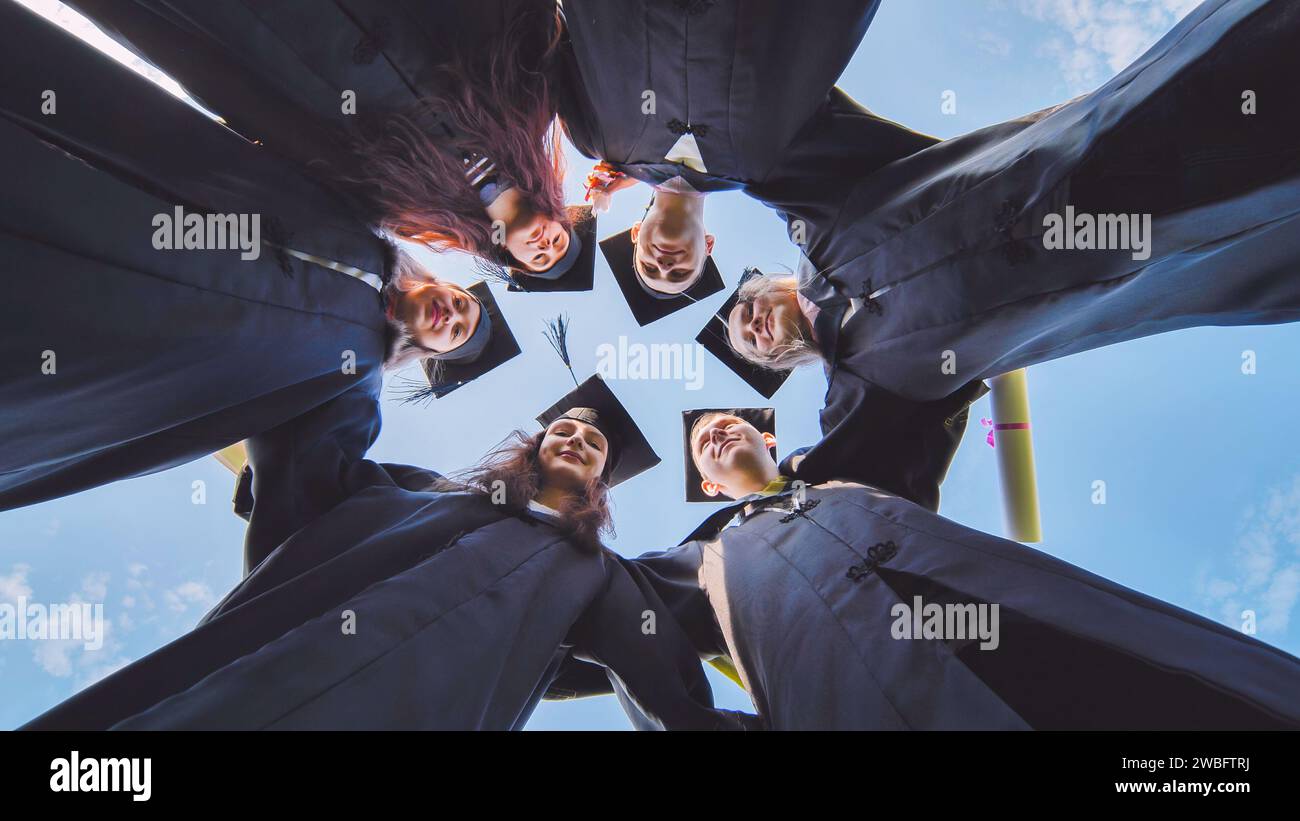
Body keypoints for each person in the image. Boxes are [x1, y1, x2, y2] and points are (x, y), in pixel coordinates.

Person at [0, 6, 518, 513]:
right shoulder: (364, 230)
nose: (452, 314)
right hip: (164, 172)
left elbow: (316, 479)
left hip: (130, 312)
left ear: (428, 351)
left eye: (454, 331)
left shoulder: (355, 378)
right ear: (440, 283)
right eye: (459, 303)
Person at [20, 377, 758, 731]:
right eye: (563, 429)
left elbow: (669, 679)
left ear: (602, 477)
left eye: (592, 443)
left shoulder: (595, 577)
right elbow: (309, 467)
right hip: (229, 679)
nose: (576, 438)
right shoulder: (420, 492)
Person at [725, 0, 1300, 404]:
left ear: (768, 283)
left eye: (743, 311)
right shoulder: (870, 391)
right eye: (750, 342)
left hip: (1089, 146)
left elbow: (761, 135)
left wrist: (673, 182)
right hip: (1153, 258)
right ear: (780, 360)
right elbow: (857, 505)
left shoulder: (821, 223)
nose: (751, 326)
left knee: (1240, 66)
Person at [614, 409, 1300, 729]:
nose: (713, 433)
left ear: (766, 435)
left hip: (1047, 639)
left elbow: (917, 384)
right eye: (702, 442)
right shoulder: (704, 565)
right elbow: (594, 610)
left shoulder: (852, 467)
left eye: (726, 422)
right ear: (706, 487)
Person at [66, 0, 598, 287]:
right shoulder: (529, 112)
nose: (548, 249)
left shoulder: (411, 212)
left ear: (509, 257)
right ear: (560, 213)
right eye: (561, 243)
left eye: (540, 262)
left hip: (293, 55)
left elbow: (312, 163)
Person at [557, 0, 934, 297]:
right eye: (680, 273)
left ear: (636, 233)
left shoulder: (597, 138)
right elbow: (883, 177)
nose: (665, 265)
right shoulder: (768, 166)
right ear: (707, 246)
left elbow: (545, 37)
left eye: (649, 268)